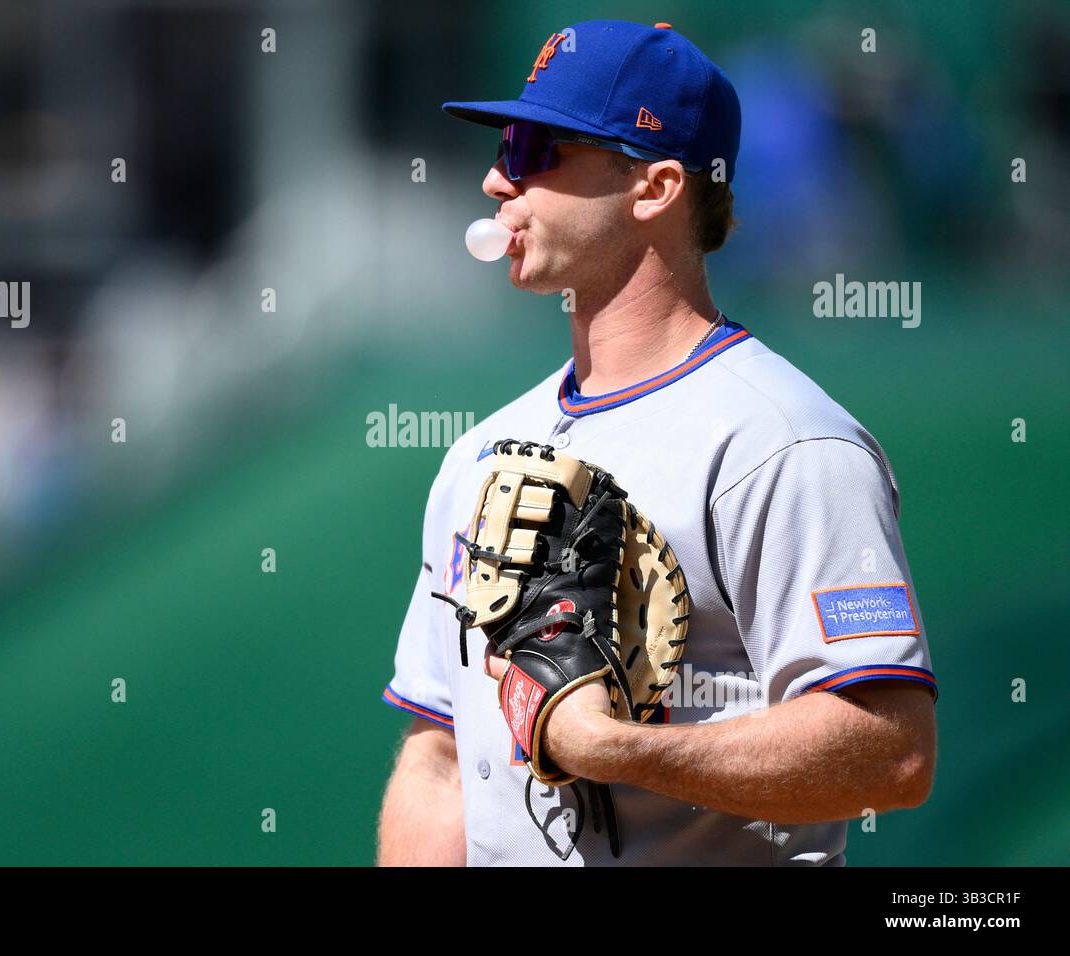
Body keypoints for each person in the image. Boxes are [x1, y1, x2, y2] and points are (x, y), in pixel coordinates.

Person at [377, 20, 937, 866]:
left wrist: (614, 749)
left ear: (654, 186)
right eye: (503, 144)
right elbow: (443, 758)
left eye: (537, 147)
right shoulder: (483, 453)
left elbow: (892, 753)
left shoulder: (781, 441)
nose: (497, 177)